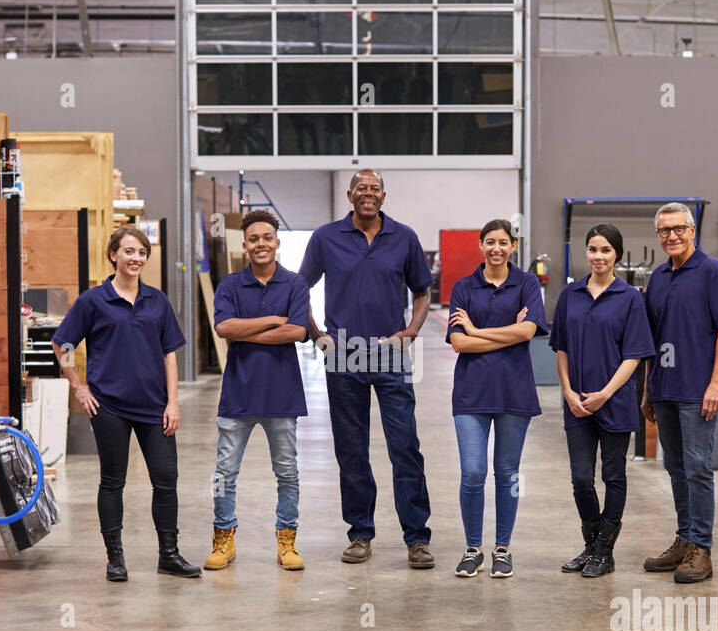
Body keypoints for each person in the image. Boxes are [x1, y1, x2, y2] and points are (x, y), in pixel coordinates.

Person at [299, 169, 435, 569]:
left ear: (383, 195)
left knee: (405, 447)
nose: (368, 194)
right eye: (361, 188)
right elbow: (299, 287)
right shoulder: (326, 237)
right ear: (350, 194)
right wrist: (317, 335)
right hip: (343, 356)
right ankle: (360, 533)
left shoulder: (404, 237)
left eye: (374, 188)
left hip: (390, 354)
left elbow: (423, 290)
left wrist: (410, 332)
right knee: (352, 449)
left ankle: (417, 539)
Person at [52, 227, 200, 581]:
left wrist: (174, 403)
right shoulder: (93, 300)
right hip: (110, 407)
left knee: (166, 479)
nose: (136, 258)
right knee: (112, 481)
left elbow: (169, 355)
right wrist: (79, 387)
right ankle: (115, 558)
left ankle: (169, 554)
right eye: (129, 251)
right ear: (113, 255)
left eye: (142, 253)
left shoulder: (157, 301)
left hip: (154, 407)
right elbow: (63, 344)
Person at [206, 209, 311, 572]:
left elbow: (297, 331)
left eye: (267, 238)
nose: (261, 244)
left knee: (288, 474)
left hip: (282, 396)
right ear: (245, 244)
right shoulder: (230, 285)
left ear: (277, 243)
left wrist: (247, 331)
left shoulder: (295, 284)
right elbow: (224, 328)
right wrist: (271, 320)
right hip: (237, 395)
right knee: (223, 474)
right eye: (254, 239)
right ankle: (223, 538)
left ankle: (287, 540)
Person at [550, 224, 655, 578]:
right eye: (593, 249)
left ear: (617, 255)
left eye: (606, 250)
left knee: (613, 476)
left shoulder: (630, 298)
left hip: (615, 401)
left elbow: (635, 355)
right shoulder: (570, 294)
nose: (598, 256)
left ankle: (604, 551)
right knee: (581, 477)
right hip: (576, 402)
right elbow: (561, 347)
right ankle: (592, 544)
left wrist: (605, 394)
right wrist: (567, 392)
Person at [641, 203, 718, 583]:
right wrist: (649, 387)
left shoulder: (712, 271)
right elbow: (652, 337)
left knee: (698, 468)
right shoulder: (659, 277)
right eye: (664, 230)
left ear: (692, 230)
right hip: (665, 387)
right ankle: (684, 540)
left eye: (678, 229)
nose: (672, 236)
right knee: (675, 467)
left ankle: (702, 548)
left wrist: (716, 382)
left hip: (697, 389)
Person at [446, 219, 547, 578]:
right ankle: (473, 548)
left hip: (513, 391)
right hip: (472, 392)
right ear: (480, 245)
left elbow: (529, 331)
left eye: (503, 242)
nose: (496, 249)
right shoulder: (463, 287)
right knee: (473, 472)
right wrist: (507, 334)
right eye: (490, 242)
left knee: (508, 472)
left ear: (513, 246)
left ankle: (502, 548)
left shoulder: (527, 283)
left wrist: (477, 330)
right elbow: (459, 343)